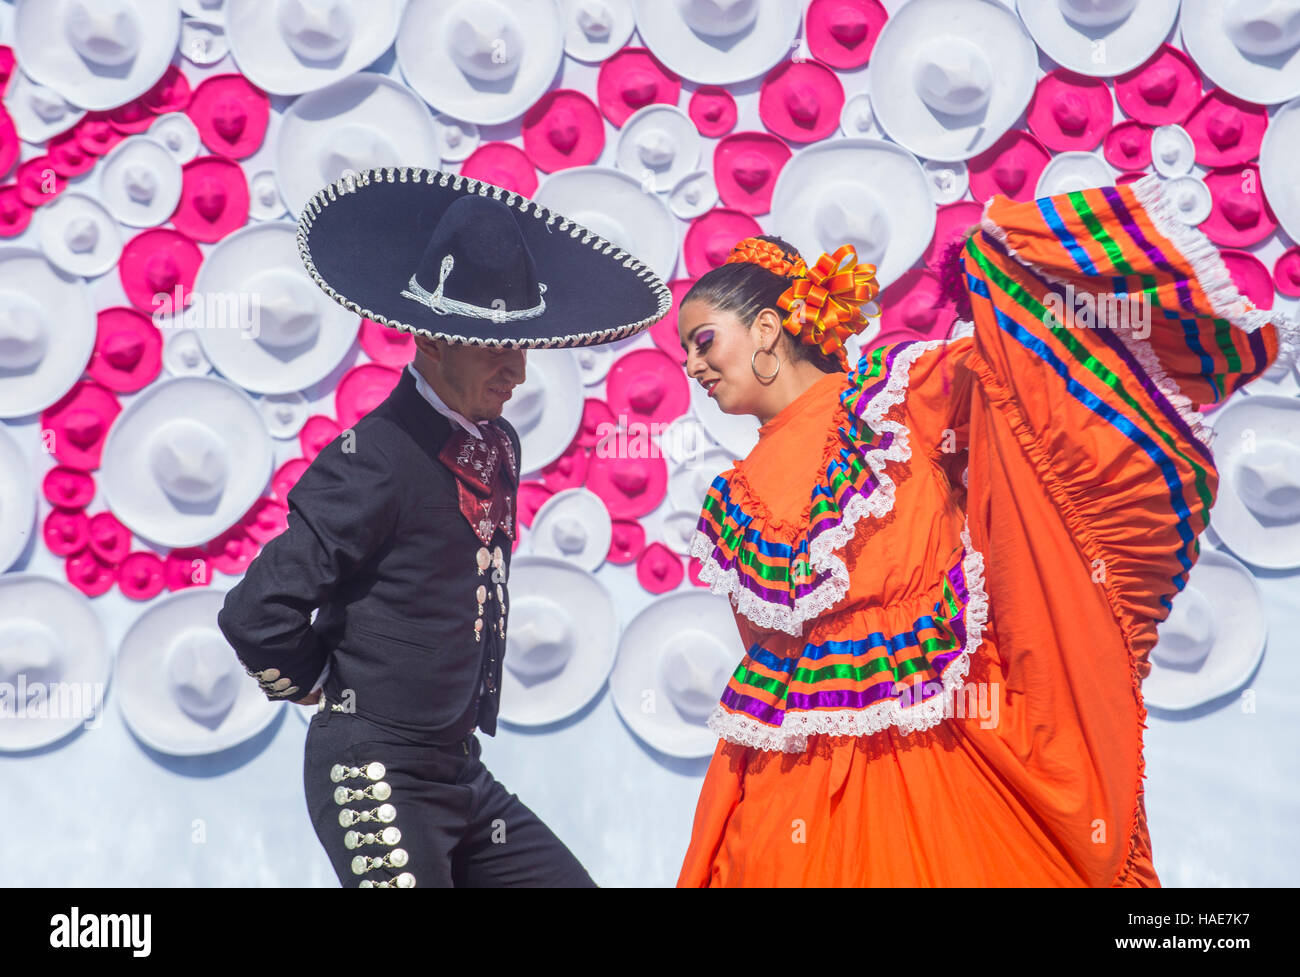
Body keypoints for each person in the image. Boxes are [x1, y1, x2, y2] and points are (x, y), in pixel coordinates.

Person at [673, 174, 1297, 886]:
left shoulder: (892, 395)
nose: (692, 365)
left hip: (942, 737)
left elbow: (1025, 393)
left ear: (765, 327)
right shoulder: (732, 501)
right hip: (792, 773)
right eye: (686, 352)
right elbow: (767, 647)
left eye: (702, 340)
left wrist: (998, 278)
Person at [217, 167, 670, 887]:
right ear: (431, 341)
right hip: (374, 770)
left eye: (522, 345)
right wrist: (322, 688)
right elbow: (254, 613)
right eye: (495, 346)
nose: (517, 371)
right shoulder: (375, 458)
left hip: (459, 772)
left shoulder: (500, 445)